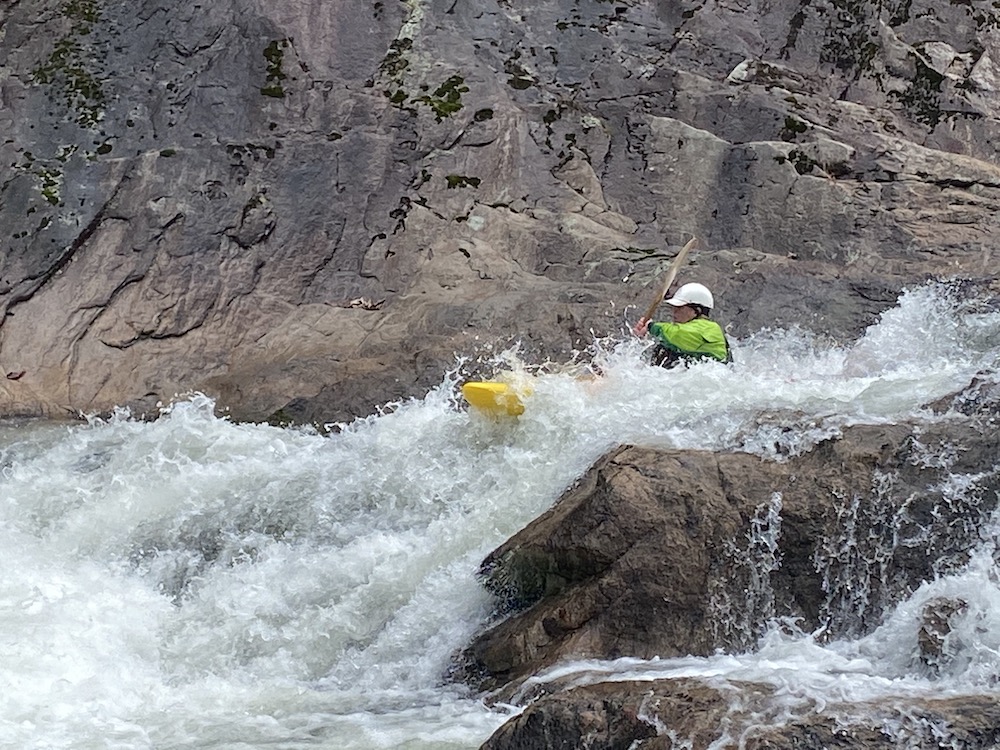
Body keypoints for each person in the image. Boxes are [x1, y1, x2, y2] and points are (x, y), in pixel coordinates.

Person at [633, 282, 731, 368]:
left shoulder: (710, 328)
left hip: (713, 377)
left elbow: (678, 334)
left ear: (697, 310)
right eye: (674, 307)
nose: (674, 311)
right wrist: (641, 339)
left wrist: (650, 326)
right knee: (663, 350)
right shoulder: (685, 330)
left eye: (680, 308)